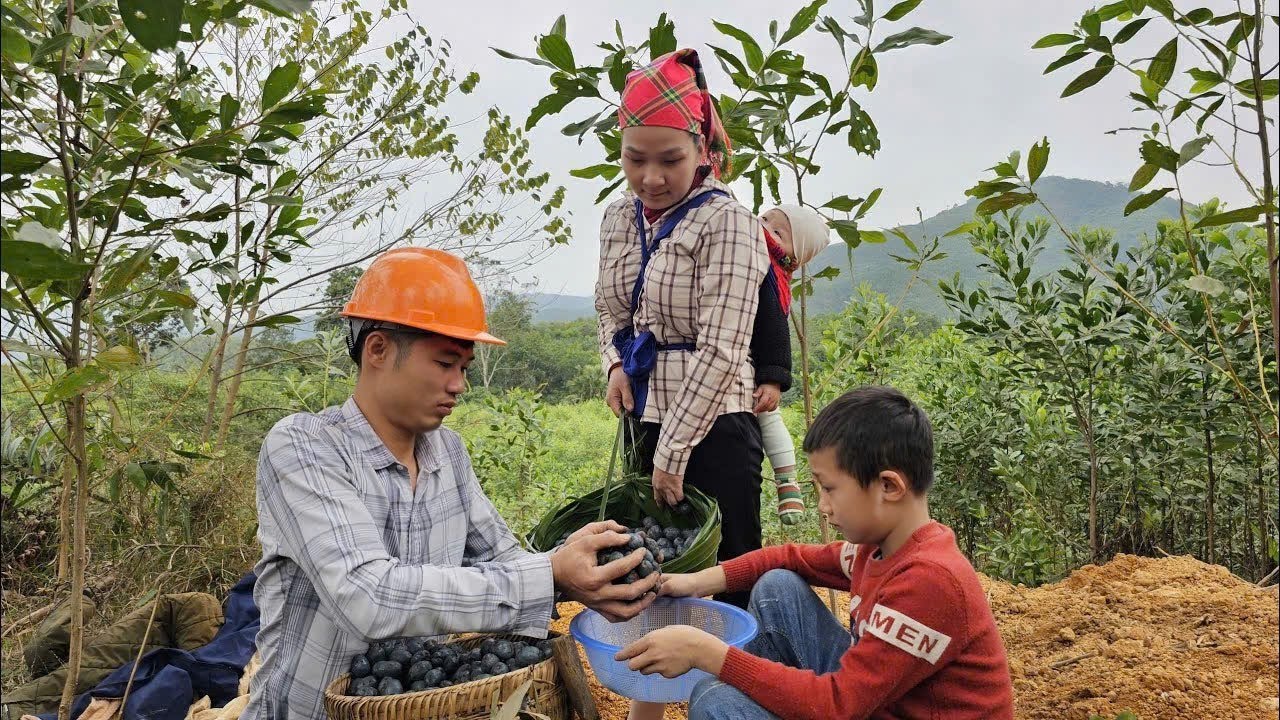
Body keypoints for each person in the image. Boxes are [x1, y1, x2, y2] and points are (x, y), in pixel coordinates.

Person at [245, 248, 659, 720]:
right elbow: (367, 594)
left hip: (420, 706)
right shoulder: (305, 446)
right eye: (445, 363)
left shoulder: (448, 453)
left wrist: (584, 569)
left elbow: (503, 559)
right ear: (377, 350)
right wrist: (551, 573)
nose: (459, 384)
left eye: (463, 367)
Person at [617, 386, 1016, 720]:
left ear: (889, 487)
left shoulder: (930, 581)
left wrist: (706, 652)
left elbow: (838, 704)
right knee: (777, 588)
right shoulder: (877, 550)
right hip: (876, 702)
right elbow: (788, 558)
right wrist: (696, 581)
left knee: (716, 704)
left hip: (852, 705)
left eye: (829, 488)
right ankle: (770, 694)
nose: (823, 506)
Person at [595, 47, 768, 611]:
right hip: (645, 415)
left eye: (670, 160)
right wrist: (615, 365)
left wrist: (673, 452)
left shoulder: (728, 222)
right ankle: (659, 665)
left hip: (714, 425)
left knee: (728, 572)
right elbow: (609, 310)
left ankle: (736, 668)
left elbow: (723, 349)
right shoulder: (618, 217)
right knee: (655, 565)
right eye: (634, 158)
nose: (651, 177)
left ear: (701, 148)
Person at [751, 204, 832, 526]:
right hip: (738, 363)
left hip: (755, 368)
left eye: (777, 232)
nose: (764, 227)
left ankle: (787, 480)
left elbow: (775, 330)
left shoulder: (771, 275)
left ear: (793, 258)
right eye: (765, 218)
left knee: (770, 420)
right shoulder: (750, 253)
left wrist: (773, 378)